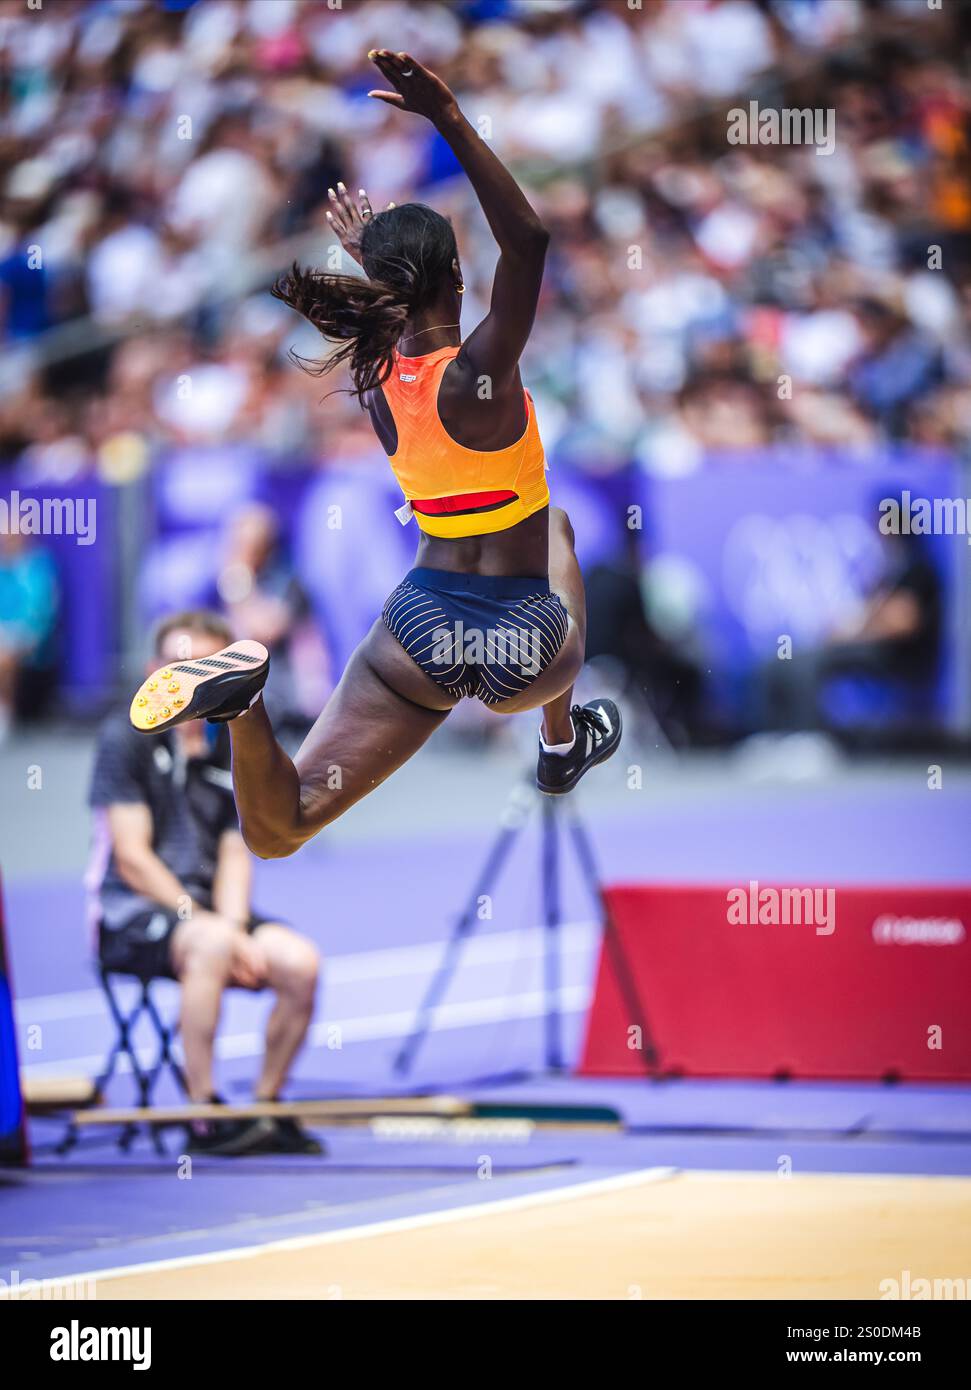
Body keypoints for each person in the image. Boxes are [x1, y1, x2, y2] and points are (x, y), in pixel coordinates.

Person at [129, 51, 621, 859]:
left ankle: (244, 702)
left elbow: (403, 308)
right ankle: (561, 740)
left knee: (279, 829)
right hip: (521, 644)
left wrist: (375, 259)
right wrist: (449, 120)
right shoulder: (477, 376)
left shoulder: (375, 378)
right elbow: (528, 241)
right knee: (558, 524)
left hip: (418, 630)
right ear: (459, 279)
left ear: (385, 285)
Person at [90, 610, 322, 1155]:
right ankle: (204, 1112)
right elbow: (132, 860)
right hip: (134, 915)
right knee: (213, 944)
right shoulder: (124, 742)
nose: (192, 677)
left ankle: (264, 1109)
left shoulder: (230, 744)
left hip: (213, 915)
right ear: (155, 671)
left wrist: (235, 926)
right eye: (180, 664)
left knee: (299, 963)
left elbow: (235, 852)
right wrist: (210, 925)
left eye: (207, 668)